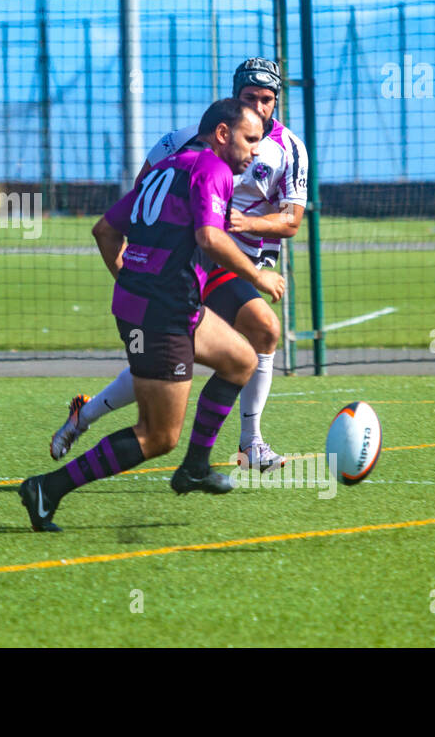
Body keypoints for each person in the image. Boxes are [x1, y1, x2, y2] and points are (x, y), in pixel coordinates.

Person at [20, 100, 282, 531]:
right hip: (162, 312)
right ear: (221, 133)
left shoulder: (168, 166)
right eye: (250, 139)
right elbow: (210, 238)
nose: (255, 151)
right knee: (158, 436)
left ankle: (195, 467)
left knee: (241, 360)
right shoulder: (212, 169)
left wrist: (128, 278)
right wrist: (259, 276)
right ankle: (47, 489)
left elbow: (105, 230)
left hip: (160, 303)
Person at [51, 58, 306, 472]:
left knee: (250, 335)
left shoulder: (289, 149)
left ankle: (247, 445)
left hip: (224, 265)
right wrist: (138, 265)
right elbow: (145, 190)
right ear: (232, 100)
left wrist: (246, 224)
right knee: (179, 359)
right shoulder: (186, 142)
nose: (259, 108)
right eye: (249, 99)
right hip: (184, 264)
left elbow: (292, 220)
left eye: (267, 100)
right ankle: (220, 455)